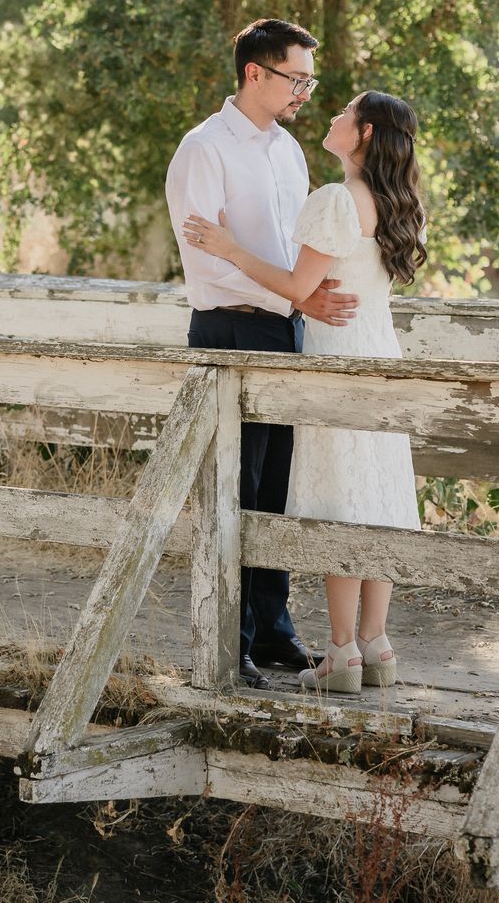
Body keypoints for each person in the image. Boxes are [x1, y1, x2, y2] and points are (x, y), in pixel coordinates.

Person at [183, 89, 426, 696]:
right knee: (376, 493)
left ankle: (341, 652)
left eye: (346, 113)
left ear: (364, 133)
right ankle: (377, 643)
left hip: (335, 358)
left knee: (342, 498)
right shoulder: (401, 203)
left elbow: (297, 285)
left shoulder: (339, 200)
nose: (333, 116)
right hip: (379, 354)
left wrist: (230, 248)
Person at [165, 19, 359, 690]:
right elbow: (206, 263)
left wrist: (306, 297)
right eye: (295, 78)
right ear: (256, 72)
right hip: (230, 330)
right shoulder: (204, 149)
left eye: (309, 80)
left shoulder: (289, 150)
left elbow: (292, 253)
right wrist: (294, 296)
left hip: (287, 332)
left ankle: (274, 632)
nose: (304, 91)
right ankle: (231, 641)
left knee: (277, 491)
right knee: (236, 490)